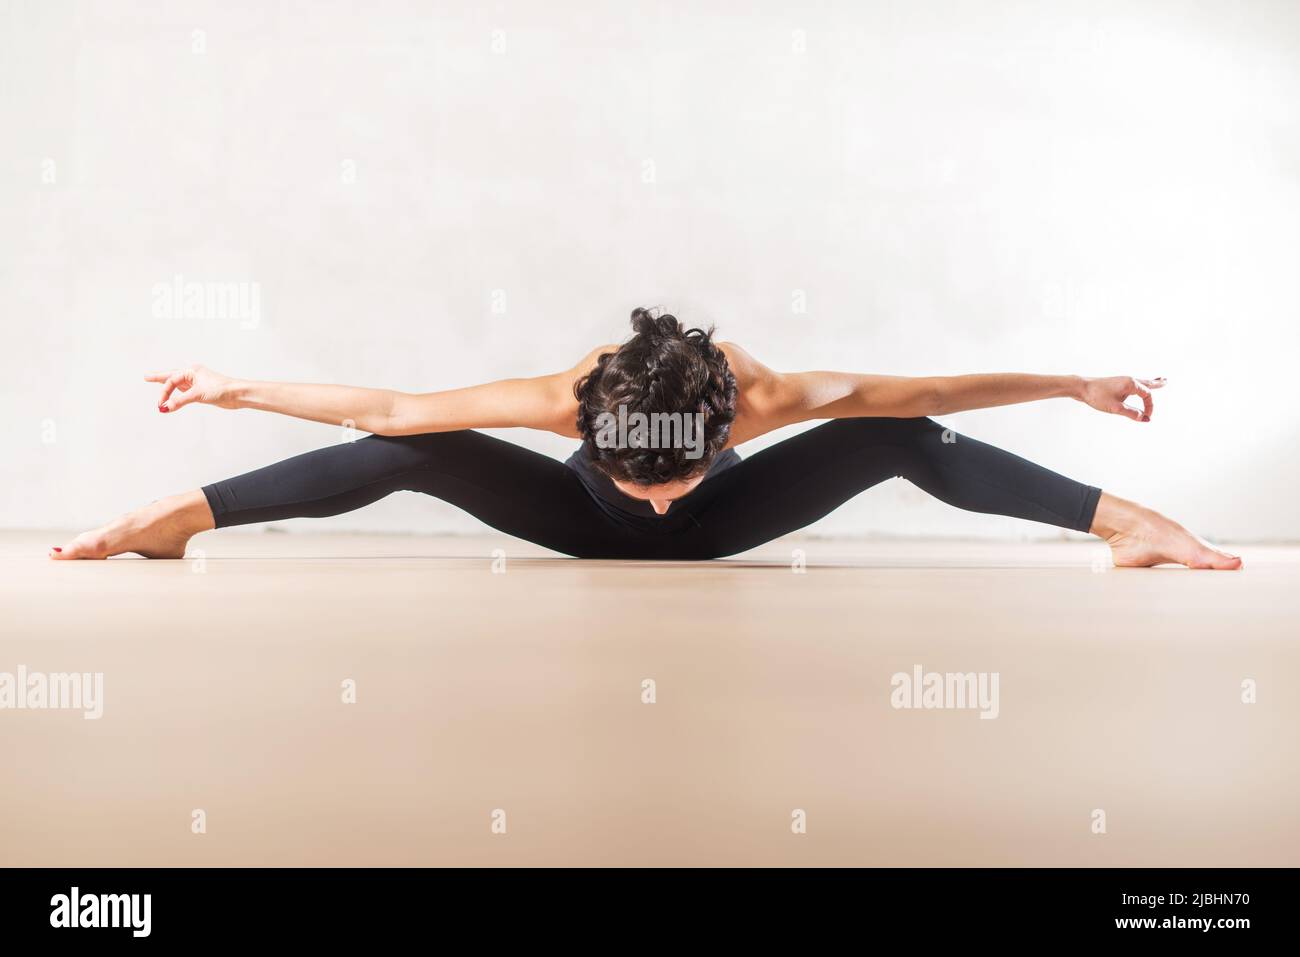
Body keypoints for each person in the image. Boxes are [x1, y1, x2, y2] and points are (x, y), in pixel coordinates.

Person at [50, 308, 1241, 568]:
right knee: (413, 455)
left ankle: (1128, 527)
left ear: (728, 424)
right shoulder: (569, 395)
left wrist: (1071, 382)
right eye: (645, 476)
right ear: (595, 425)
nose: (661, 496)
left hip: (741, 530)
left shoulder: (771, 395)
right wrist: (230, 386)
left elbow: (933, 386)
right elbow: (395, 412)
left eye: (673, 474)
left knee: (905, 433)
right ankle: (177, 521)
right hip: (570, 528)